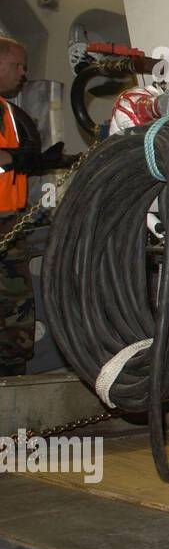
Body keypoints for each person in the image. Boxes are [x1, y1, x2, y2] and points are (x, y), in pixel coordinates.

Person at [0, 36, 65, 376]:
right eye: (16, 66)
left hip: (11, 224)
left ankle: (11, 375)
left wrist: (37, 163)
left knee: (16, 311)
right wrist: (11, 160)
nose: (23, 73)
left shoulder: (11, 113)